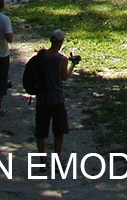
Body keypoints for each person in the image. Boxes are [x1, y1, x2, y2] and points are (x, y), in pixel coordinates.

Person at [34, 29, 79, 158]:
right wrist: (72, 65)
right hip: (57, 99)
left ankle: (42, 160)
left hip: (42, 99)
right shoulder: (61, 59)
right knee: (58, 133)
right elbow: (64, 77)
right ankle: (57, 159)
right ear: (61, 42)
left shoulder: (41, 55)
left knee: (41, 132)